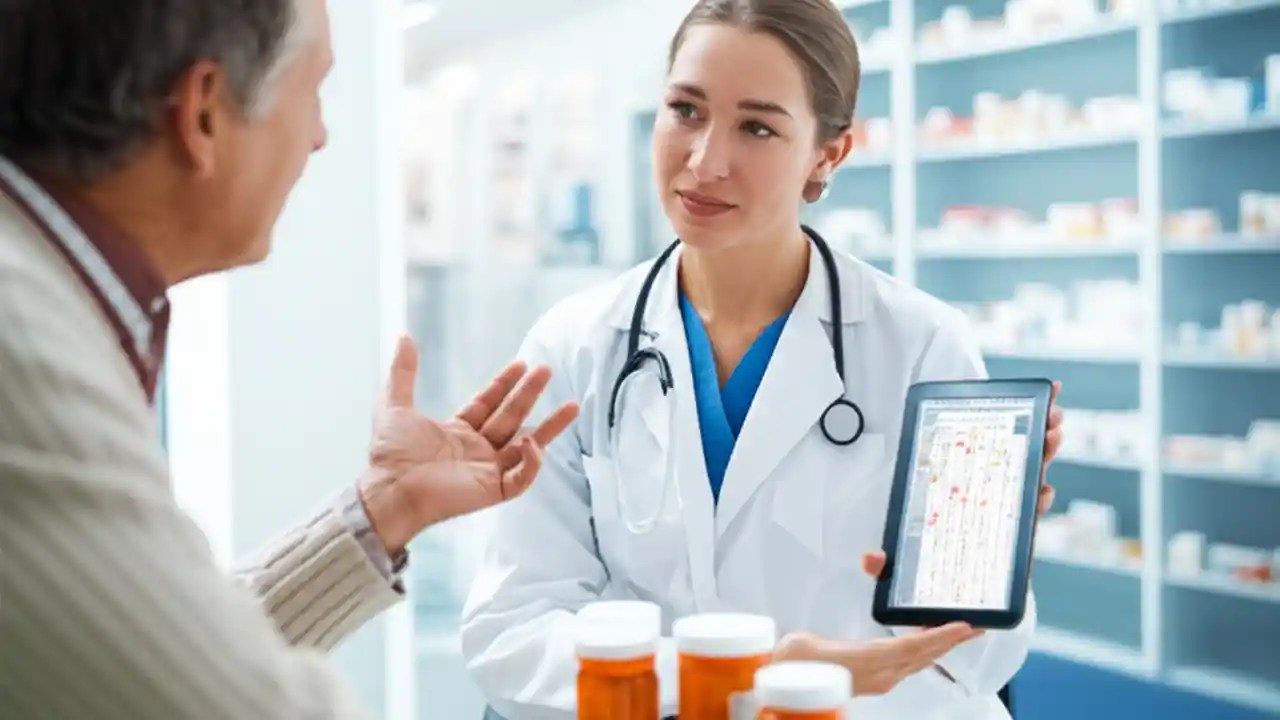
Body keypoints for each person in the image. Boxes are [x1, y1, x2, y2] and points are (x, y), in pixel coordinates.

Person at [459, 1, 1065, 718]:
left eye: (757, 126)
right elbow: (517, 629)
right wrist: (732, 676)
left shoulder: (922, 346)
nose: (705, 159)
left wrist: (970, 579)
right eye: (685, 110)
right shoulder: (575, 347)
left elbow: (970, 658)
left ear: (827, 153)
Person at [0, 0, 578, 717]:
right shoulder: (19, 348)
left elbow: (126, 663)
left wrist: (383, 509)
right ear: (204, 111)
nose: (319, 136)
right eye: (314, 89)